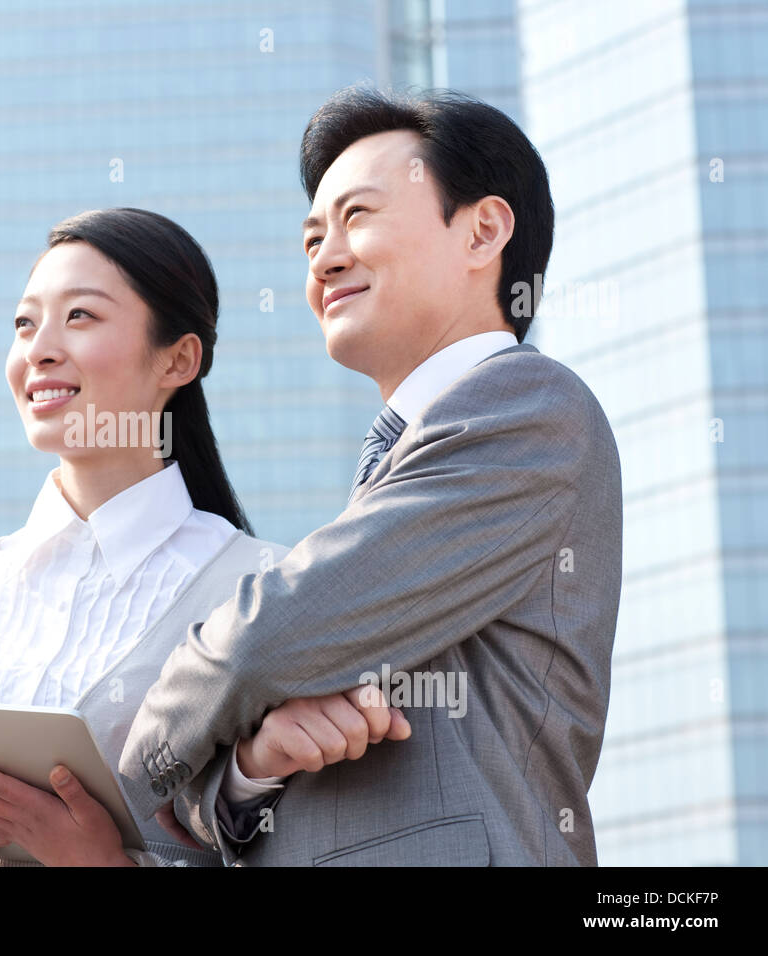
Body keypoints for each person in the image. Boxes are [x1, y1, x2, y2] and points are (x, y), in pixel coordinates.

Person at [119, 87, 624, 866]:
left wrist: (146, 749)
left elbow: (272, 635)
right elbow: (291, 661)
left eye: (357, 217)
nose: (325, 256)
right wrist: (252, 768)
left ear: (482, 231)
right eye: (312, 237)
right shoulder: (398, 465)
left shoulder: (529, 407)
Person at [0, 207, 410, 867]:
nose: (40, 348)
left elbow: (301, 847)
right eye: (25, 323)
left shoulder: (264, 587)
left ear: (178, 359)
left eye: (79, 316)